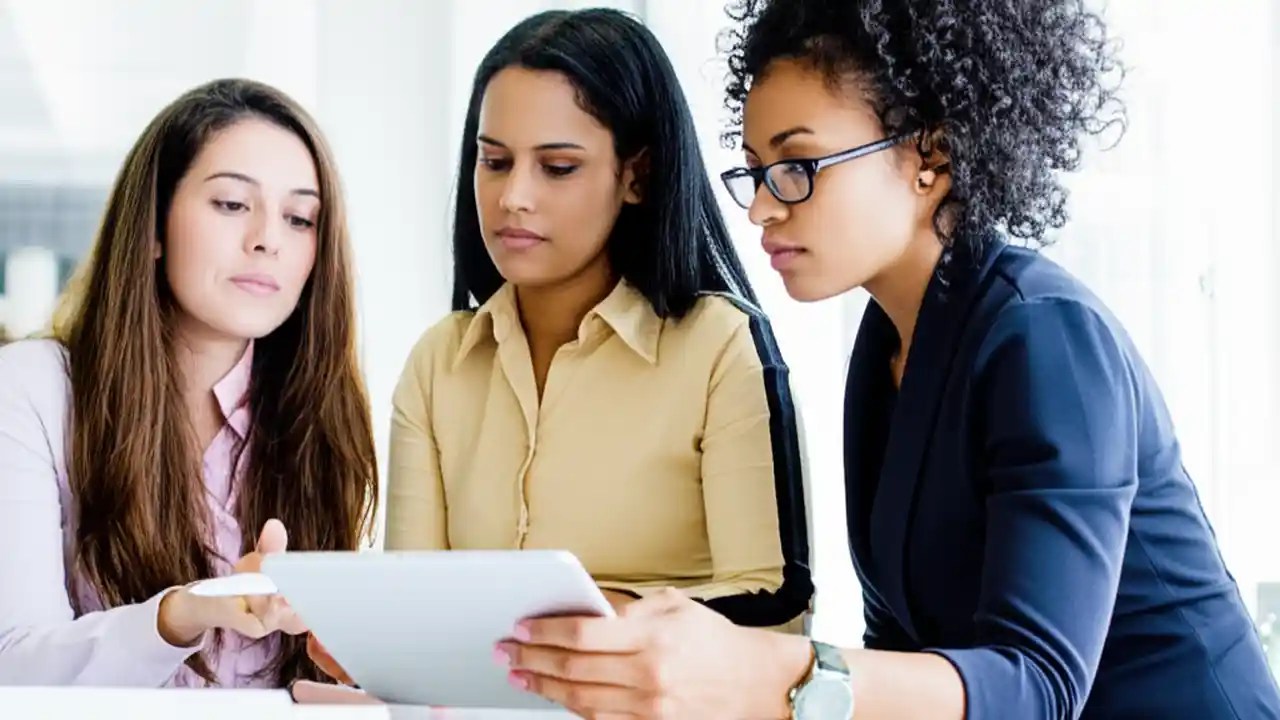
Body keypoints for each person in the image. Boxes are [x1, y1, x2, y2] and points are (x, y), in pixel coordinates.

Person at [496, 1, 1280, 718]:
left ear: (928, 157)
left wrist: (768, 670)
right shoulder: (885, 348)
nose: (764, 205)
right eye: (757, 170)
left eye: (797, 166)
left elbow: (1037, 687)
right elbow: (904, 648)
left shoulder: (1045, 338)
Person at [373, 5, 809, 635]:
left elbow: (776, 612)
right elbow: (409, 619)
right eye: (494, 161)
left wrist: (567, 622)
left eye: (557, 167)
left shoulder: (719, 347)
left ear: (636, 175)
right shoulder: (438, 363)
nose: (512, 197)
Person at [0, 78, 378, 688]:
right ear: (152, 227)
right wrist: (176, 618)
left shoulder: (319, 419)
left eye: (300, 218)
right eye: (232, 204)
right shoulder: (32, 390)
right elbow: (11, 664)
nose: (267, 239)